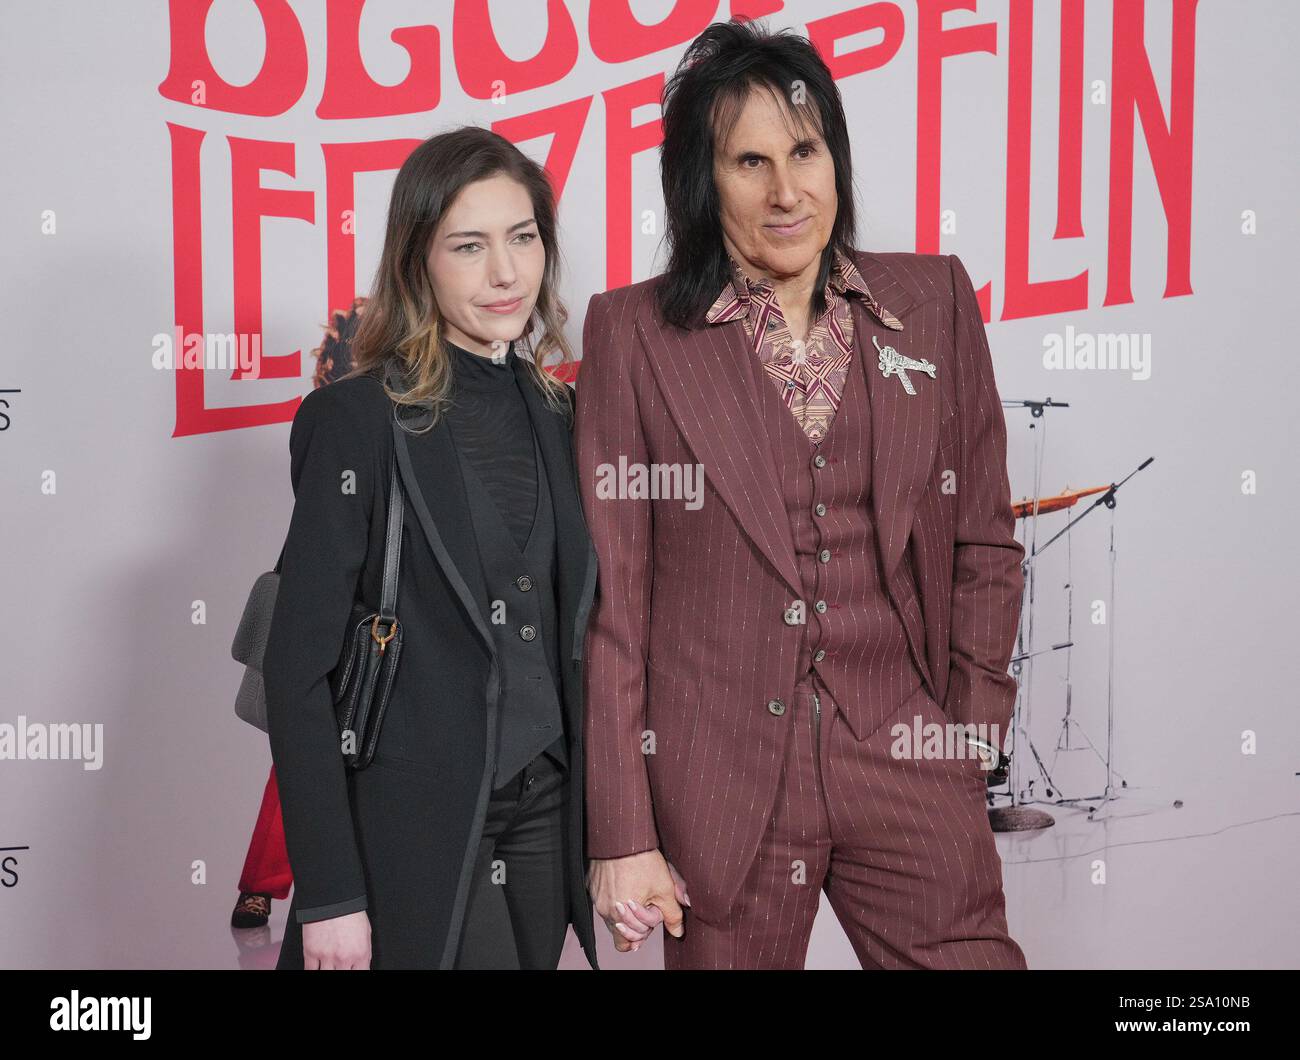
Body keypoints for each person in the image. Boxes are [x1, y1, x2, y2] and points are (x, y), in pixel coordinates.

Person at [575, 19, 1028, 969]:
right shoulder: (633, 334)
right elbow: (615, 603)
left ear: (836, 158)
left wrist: (970, 735)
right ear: (704, 183)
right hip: (722, 776)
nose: (788, 191)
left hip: (905, 745)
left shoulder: (935, 301)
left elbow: (983, 542)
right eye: (750, 162)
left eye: (806, 151)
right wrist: (623, 829)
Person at [263, 126, 600, 970]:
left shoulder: (567, 418)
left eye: (523, 238)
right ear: (419, 261)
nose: (505, 272)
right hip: (411, 820)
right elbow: (295, 671)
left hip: (546, 813)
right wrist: (332, 892)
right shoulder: (355, 422)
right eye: (469, 245)